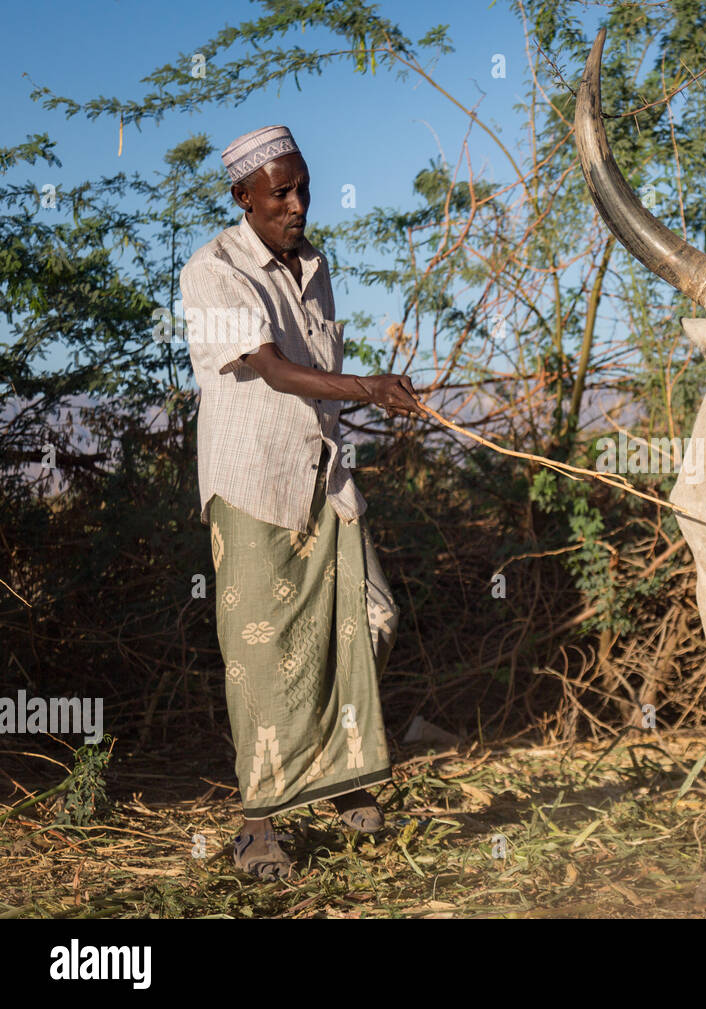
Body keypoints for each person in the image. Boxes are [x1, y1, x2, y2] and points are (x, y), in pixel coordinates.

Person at [180, 125, 423, 880]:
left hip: (320, 475)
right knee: (261, 656)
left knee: (369, 615)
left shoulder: (314, 266)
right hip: (252, 483)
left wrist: (361, 399)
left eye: (303, 187)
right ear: (242, 196)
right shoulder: (211, 271)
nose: (297, 205)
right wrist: (371, 388)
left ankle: (337, 775)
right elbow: (273, 369)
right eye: (280, 192)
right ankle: (259, 824)